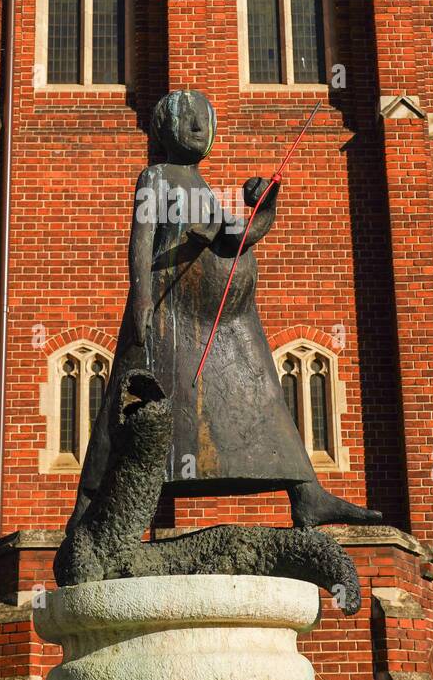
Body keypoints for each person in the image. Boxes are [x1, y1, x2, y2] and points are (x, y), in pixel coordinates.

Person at [67, 89, 382, 531]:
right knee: (131, 399)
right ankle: (87, 508)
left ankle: (306, 494)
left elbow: (236, 237)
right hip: (169, 310)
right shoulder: (155, 178)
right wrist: (140, 294)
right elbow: (141, 240)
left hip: (226, 324)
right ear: (163, 129)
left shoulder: (203, 187)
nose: (197, 125)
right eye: (186, 117)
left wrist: (266, 204)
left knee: (264, 392)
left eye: (205, 118)